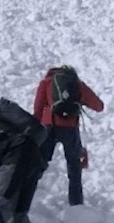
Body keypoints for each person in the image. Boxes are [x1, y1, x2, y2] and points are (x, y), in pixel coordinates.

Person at [33, 65, 105, 205]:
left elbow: (37, 109)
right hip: (70, 129)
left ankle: (26, 195)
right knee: (74, 166)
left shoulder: (46, 83)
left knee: (39, 163)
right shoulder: (77, 84)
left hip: (48, 127)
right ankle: (76, 203)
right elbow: (99, 106)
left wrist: (36, 127)